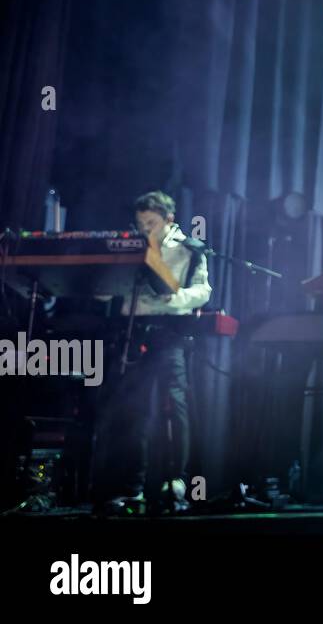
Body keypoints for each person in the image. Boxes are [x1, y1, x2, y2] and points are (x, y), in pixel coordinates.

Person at [93, 190, 211, 515]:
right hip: (131, 330)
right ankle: (131, 488)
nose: (146, 228)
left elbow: (203, 291)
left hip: (168, 331)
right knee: (132, 411)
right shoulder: (131, 246)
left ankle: (175, 485)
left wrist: (174, 299)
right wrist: (102, 284)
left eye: (152, 222)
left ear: (169, 219)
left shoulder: (189, 248)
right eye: (141, 223)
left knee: (175, 405)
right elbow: (107, 291)